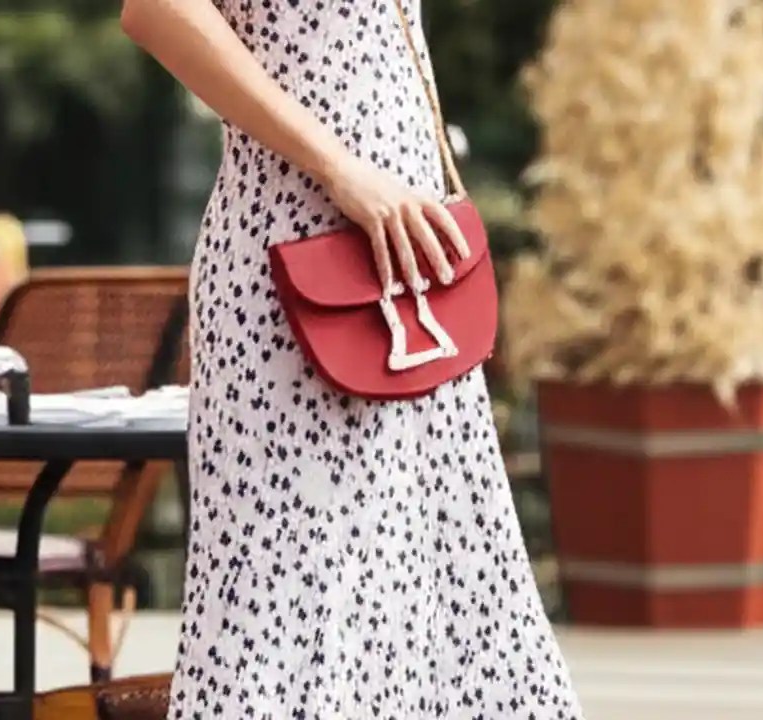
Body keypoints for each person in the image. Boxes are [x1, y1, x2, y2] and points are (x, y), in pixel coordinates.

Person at [122, 1, 583, 717]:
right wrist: (340, 169)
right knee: (287, 605)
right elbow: (155, 10)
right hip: (295, 265)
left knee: (437, 601)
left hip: (408, 281)